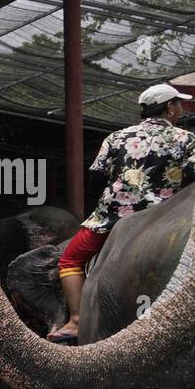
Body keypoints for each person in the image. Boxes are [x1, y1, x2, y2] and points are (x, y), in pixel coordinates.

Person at [50, 83, 195, 343]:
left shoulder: (117, 137)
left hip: (113, 217)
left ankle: (75, 321)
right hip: (163, 217)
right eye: (179, 104)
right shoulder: (187, 139)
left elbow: (95, 177)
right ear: (170, 107)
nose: (182, 109)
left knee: (69, 261)